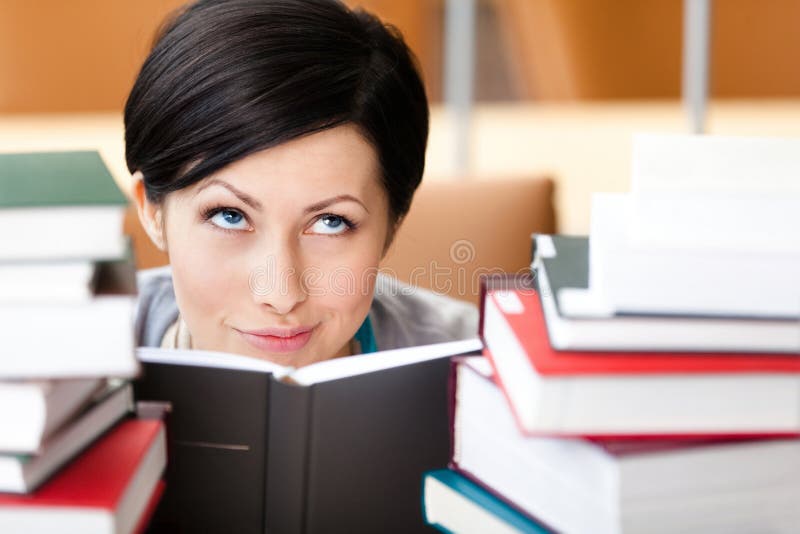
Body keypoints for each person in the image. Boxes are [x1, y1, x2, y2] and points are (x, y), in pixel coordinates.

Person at [128, 0, 478, 367]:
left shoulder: (487, 366)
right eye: (229, 216)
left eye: (331, 221)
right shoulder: (74, 364)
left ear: (393, 222)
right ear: (152, 211)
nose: (280, 295)